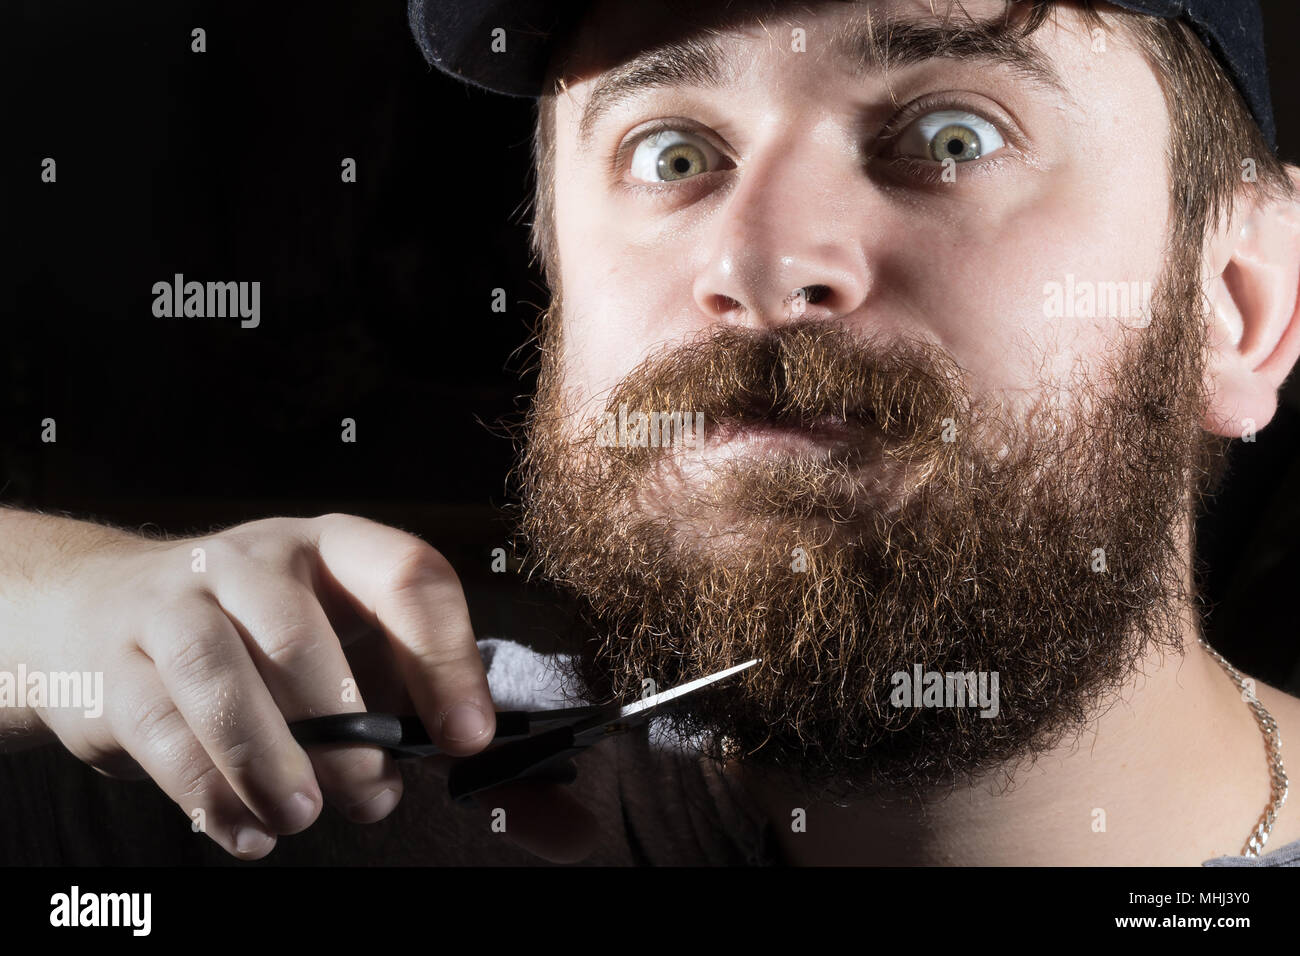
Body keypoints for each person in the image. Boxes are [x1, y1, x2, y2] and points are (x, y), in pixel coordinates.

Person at [2, 0, 1299, 866]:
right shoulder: (293, 795)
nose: (756, 259)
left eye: (951, 135)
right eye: (673, 153)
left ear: (1238, 305)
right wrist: (61, 613)